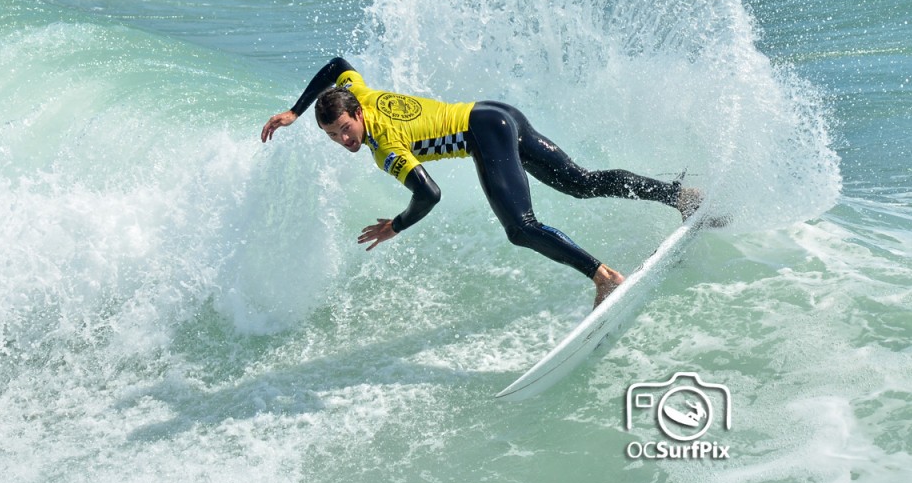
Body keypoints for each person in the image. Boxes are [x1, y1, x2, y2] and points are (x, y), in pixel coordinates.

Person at [261, 57, 701, 308]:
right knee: (580, 182)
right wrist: (298, 112)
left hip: (485, 132)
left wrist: (394, 226)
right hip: (496, 113)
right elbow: (338, 65)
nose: (344, 141)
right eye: (333, 137)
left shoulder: (385, 147)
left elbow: (429, 194)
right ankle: (681, 195)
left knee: (521, 227)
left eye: (344, 129)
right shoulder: (360, 91)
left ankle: (603, 276)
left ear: (356, 113)